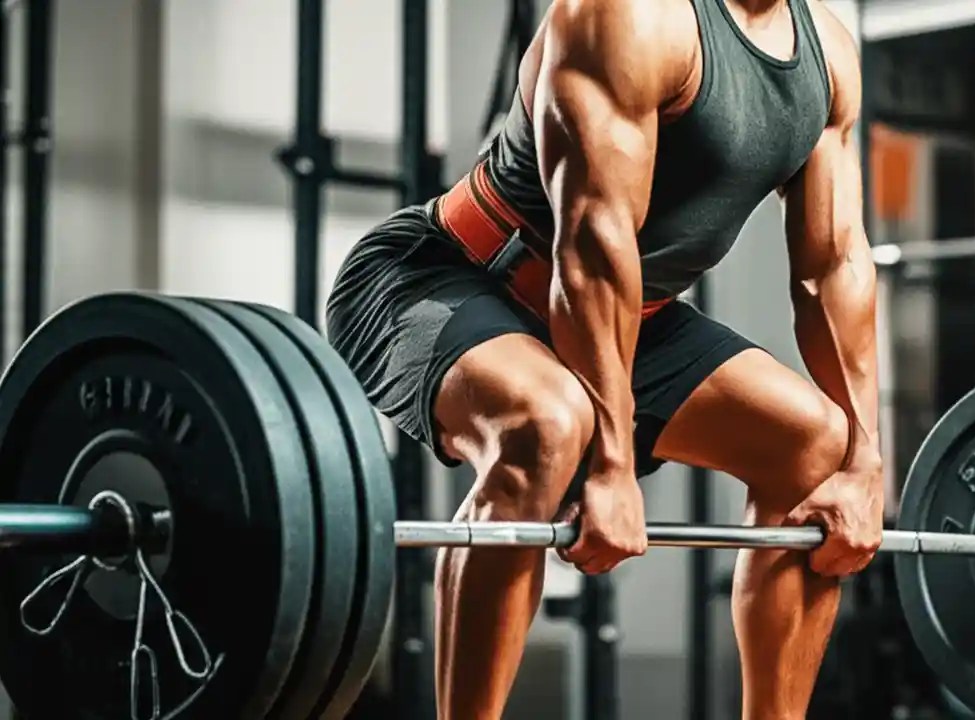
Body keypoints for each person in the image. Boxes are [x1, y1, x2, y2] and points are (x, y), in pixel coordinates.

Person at [326, 0, 883, 717]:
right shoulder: (628, 15)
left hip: (628, 314)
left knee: (813, 444)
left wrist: (867, 464)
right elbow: (593, 241)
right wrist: (612, 465)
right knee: (548, 424)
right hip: (448, 275)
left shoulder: (830, 57)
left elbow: (833, 266)